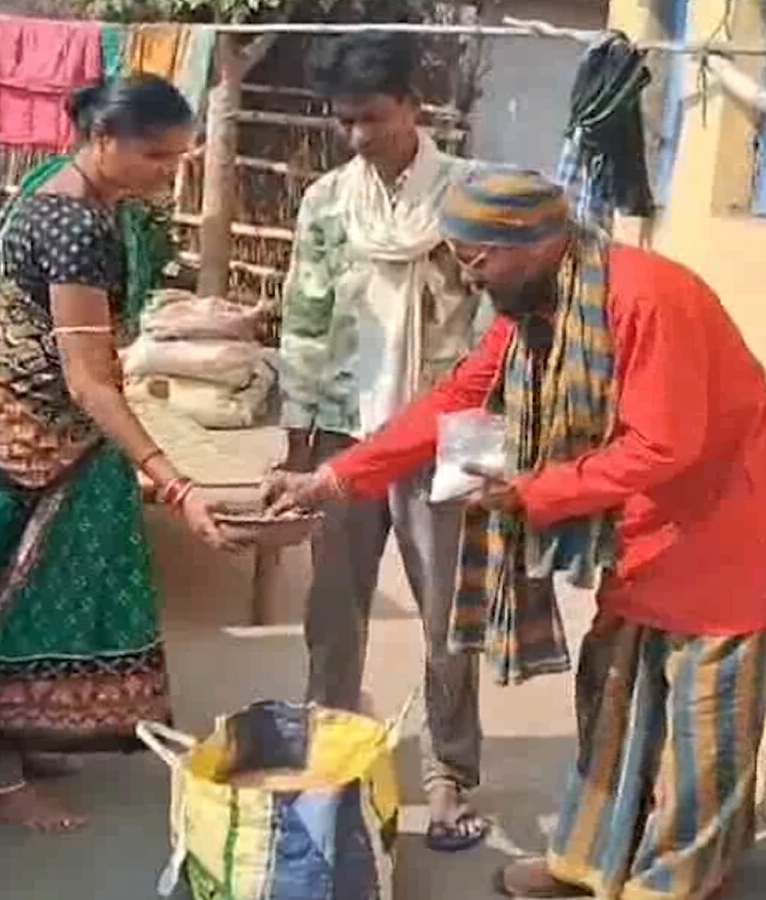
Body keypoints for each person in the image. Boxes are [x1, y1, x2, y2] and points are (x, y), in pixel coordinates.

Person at [265, 170, 766, 898]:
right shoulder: (540, 306)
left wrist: (533, 492)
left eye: (478, 259)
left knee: (704, 723)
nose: (470, 278)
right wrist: (335, 479)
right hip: (649, 526)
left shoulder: (647, 299)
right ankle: (586, 861)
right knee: (613, 693)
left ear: (536, 244)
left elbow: (665, 445)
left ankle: (675, 883)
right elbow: (457, 399)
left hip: (731, 522)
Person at [0, 76, 234, 833]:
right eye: (155, 156)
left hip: (15, 412)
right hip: (27, 439)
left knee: (40, 591)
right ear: (103, 139)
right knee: (14, 602)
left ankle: (29, 735)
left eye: (178, 158)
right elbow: (89, 382)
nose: (167, 173)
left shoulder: (71, 184)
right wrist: (174, 482)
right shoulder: (74, 226)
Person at [277, 32, 492, 851]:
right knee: (332, 611)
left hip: (447, 430)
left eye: (370, 117)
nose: (357, 135)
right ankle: (327, 754)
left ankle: (448, 774)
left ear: (412, 105)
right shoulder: (329, 202)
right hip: (345, 430)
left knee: (449, 616)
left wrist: (489, 445)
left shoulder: (469, 195)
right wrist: (298, 442)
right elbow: (304, 318)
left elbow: (498, 325)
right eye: (344, 121)